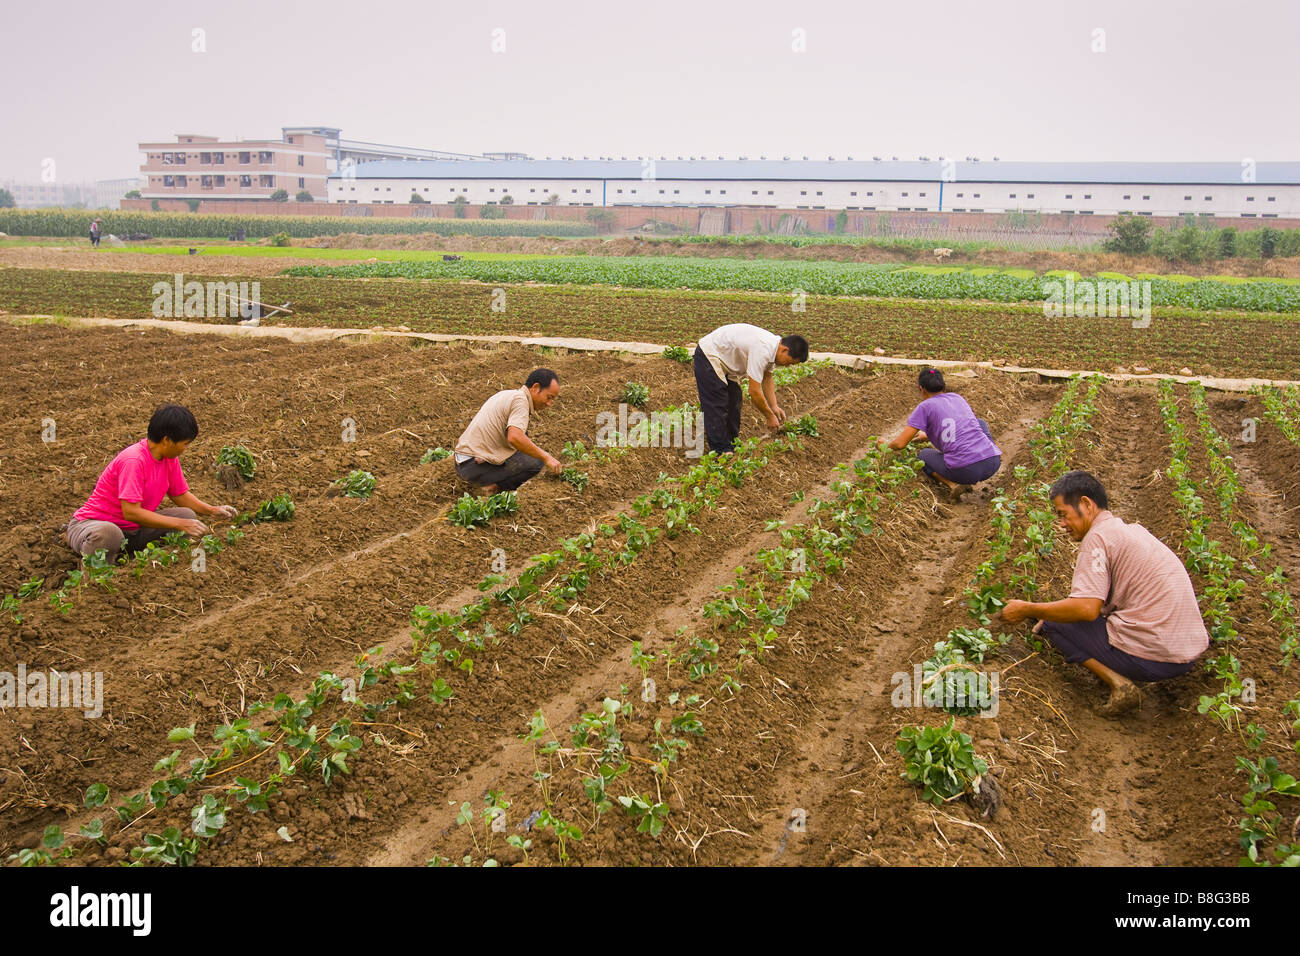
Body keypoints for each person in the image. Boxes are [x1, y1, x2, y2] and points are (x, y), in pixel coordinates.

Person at [998, 470, 1209, 717]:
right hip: (1188, 653)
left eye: (1063, 515)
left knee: (1054, 622)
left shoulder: (1097, 539)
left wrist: (1028, 609)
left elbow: (1086, 609)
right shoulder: (1134, 532)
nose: (1061, 524)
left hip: (1157, 659)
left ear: (1086, 504)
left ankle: (1119, 684)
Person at [61, 404, 237, 565]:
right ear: (167, 440)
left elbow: (179, 495)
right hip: (95, 526)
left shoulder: (169, 458)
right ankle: (97, 565)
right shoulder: (134, 460)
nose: (186, 449)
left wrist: (211, 510)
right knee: (109, 534)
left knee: (187, 515)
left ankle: (129, 555)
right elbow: (130, 512)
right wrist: (178, 524)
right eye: (185, 444)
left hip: (131, 531)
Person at [881, 368, 1001, 502]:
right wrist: (927, 436)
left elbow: (900, 444)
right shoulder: (957, 398)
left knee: (923, 456)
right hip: (993, 463)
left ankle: (953, 484)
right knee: (980, 423)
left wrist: (884, 445)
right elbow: (960, 426)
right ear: (944, 386)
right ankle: (987, 450)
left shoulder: (924, 407)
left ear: (922, 389)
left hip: (966, 471)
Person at [693, 324, 809, 454]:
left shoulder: (773, 349)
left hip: (727, 360)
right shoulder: (763, 349)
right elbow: (754, 391)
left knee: (734, 400)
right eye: (789, 362)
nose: (787, 366)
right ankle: (720, 450)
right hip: (709, 354)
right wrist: (769, 416)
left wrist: (774, 406)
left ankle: (731, 445)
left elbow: (767, 377)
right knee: (717, 402)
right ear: (785, 350)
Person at [454, 369, 562, 493]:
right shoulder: (521, 401)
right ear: (535, 387)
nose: (549, 404)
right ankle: (491, 489)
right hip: (472, 466)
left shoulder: (508, 394)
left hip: (463, 461)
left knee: (526, 449)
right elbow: (515, 437)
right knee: (535, 462)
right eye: (549, 397)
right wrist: (546, 457)